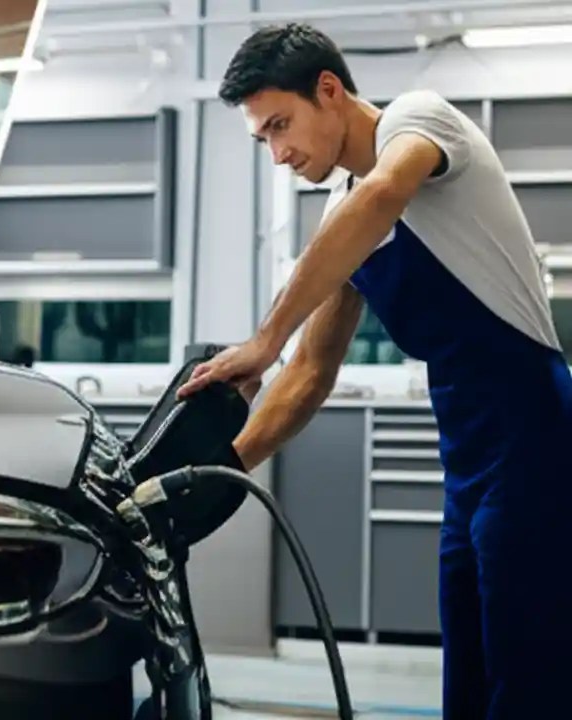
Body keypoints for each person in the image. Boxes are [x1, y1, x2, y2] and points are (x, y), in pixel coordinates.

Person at [178, 23, 572, 719]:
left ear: (329, 91)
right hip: (468, 450)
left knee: (529, 663)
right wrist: (211, 481)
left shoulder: (419, 121)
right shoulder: (343, 215)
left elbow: (386, 192)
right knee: (471, 668)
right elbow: (308, 373)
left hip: (533, 433)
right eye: (261, 138)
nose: (277, 154)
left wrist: (265, 337)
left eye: (281, 125)